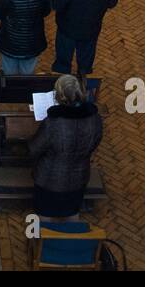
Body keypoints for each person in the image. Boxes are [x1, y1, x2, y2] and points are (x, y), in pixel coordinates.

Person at [29, 74, 104, 219]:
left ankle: (45, 241)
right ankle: (70, 240)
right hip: (79, 177)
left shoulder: (53, 123)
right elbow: (95, 142)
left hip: (49, 180)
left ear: (59, 97)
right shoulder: (95, 119)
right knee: (72, 213)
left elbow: (34, 149)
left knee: (45, 216)